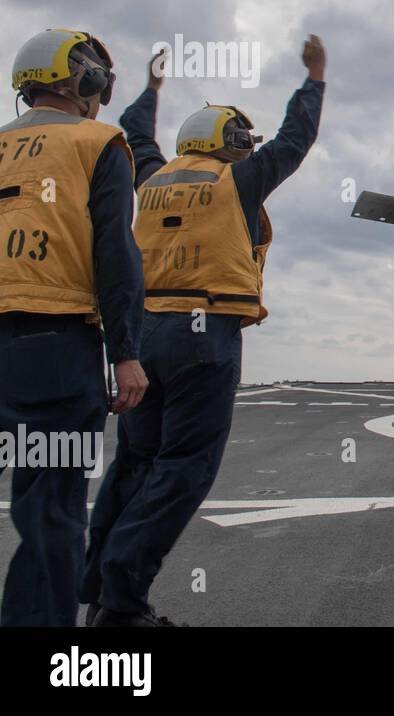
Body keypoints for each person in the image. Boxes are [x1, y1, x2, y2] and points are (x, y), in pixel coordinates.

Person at [80, 36, 327, 627]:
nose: (250, 147)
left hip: (141, 338)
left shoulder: (152, 175)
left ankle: (98, 593)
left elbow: (136, 133)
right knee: (185, 467)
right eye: (243, 139)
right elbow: (296, 141)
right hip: (202, 334)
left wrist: (151, 88)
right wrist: (315, 78)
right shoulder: (235, 181)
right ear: (228, 141)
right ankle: (123, 600)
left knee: (135, 463)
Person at [0, 29, 147, 626]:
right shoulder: (98, 142)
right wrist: (127, 353)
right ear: (83, 79)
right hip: (52, 353)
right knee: (52, 516)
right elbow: (115, 253)